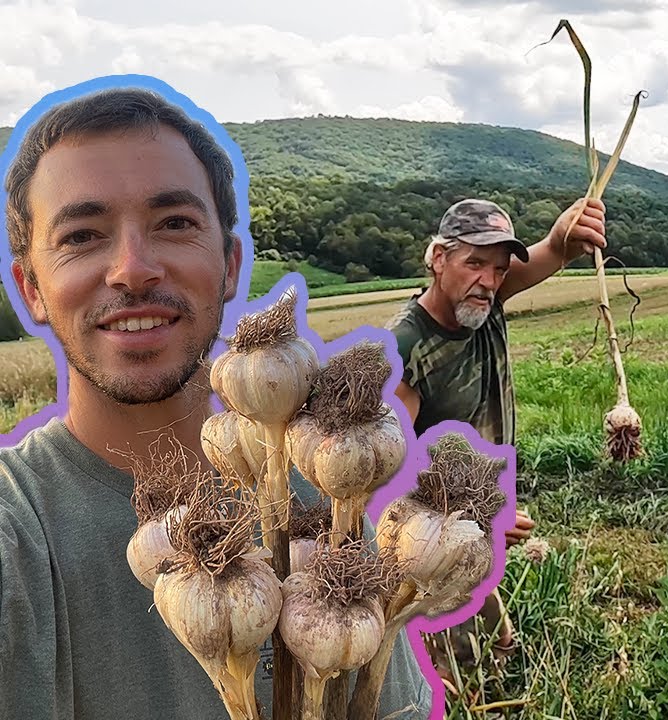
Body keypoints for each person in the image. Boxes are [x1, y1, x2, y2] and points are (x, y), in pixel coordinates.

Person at [0, 84, 431, 719]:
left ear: (230, 265)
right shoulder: (16, 527)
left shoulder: (323, 493)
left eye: (174, 224)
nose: (132, 269)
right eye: (82, 235)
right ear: (31, 289)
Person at [385, 196, 606, 691]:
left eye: (500, 268)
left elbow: (555, 249)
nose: (488, 280)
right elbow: (388, 482)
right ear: (438, 258)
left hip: (475, 527)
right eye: (475, 262)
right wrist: (476, 517)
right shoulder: (405, 351)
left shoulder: (481, 305)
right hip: (432, 544)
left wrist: (567, 235)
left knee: (493, 642)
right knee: (458, 666)